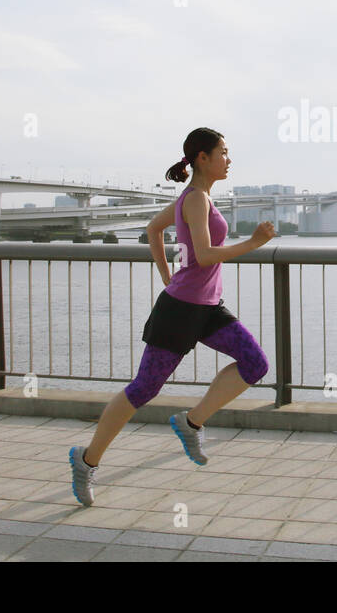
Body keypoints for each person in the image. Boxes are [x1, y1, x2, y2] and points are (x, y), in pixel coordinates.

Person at [69, 127, 276, 506]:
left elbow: (153, 229)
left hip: (208, 307)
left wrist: (170, 276)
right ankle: (86, 461)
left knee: (255, 363)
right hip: (181, 310)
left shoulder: (198, 199)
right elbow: (205, 255)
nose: (229, 160)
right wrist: (252, 244)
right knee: (143, 389)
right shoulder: (195, 199)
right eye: (224, 152)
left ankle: (191, 421)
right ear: (203, 158)